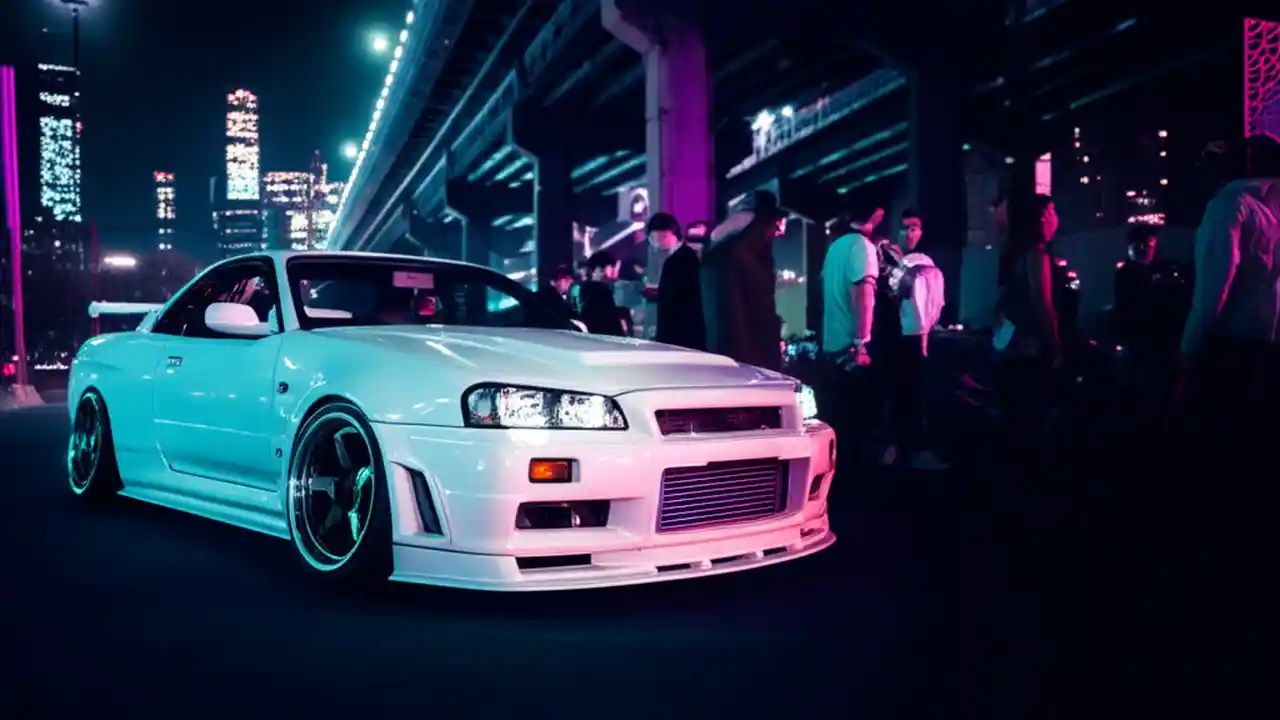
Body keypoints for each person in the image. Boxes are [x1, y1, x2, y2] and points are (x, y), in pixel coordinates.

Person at [1178, 133, 1280, 452]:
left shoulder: (1227, 206)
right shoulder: (1271, 211)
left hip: (1229, 355)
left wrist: (1188, 351)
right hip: (1268, 350)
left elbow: (1211, 294)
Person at [876, 210, 948, 469]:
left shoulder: (922, 263)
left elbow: (932, 302)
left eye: (916, 227)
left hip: (912, 337)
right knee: (899, 392)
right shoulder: (885, 257)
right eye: (906, 228)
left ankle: (907, 446)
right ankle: (897, 446)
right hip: (892, 337)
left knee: (912, 392)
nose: (911, 233)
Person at [993, 192, 1061, 465]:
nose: (1057, 218)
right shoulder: (1037, 254)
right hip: (1030, 348)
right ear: (1042, 217)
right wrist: (1055, 343)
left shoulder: (1011, 251)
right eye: (1053, 211)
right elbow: (1042, 302)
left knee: (1013, 418)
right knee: (1031, 417)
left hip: (1009, 347)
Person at [701, 190, 788, 370]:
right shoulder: (752, 248)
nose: (778, 232)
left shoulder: (715, 257)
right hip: (750, 355)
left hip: (723, 353)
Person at [650, 212, 706, 350]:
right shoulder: (686, 256)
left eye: (654, 236)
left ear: (667, 233)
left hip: (680, 335)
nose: (654, 242)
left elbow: (670, 303)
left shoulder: (678, 260)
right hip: (688, 332)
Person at [578, 250, 626, 336]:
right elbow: (612, 324)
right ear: (600, 269)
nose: (616, 270)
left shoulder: (586, 289)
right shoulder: (602, 292)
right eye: (613, 266)